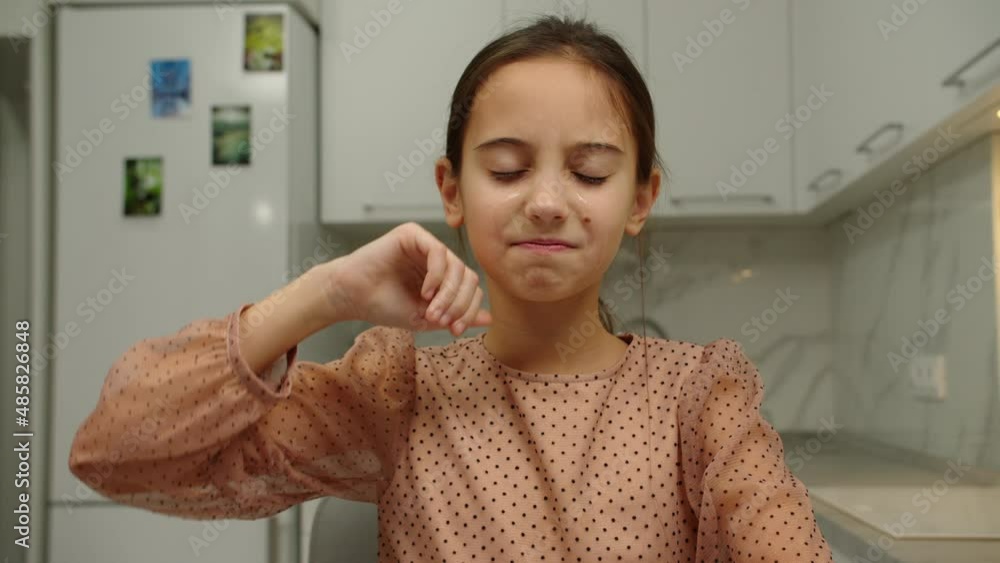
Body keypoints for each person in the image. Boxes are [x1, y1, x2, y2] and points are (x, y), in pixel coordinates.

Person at [69, 15, 835, 562]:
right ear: (452, 190)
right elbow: (115, 450)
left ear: (639, 198)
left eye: (590, 171)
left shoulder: (700, 398)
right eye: (506, 168)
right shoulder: (396, 389)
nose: (545, 199)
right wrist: (325, 291)